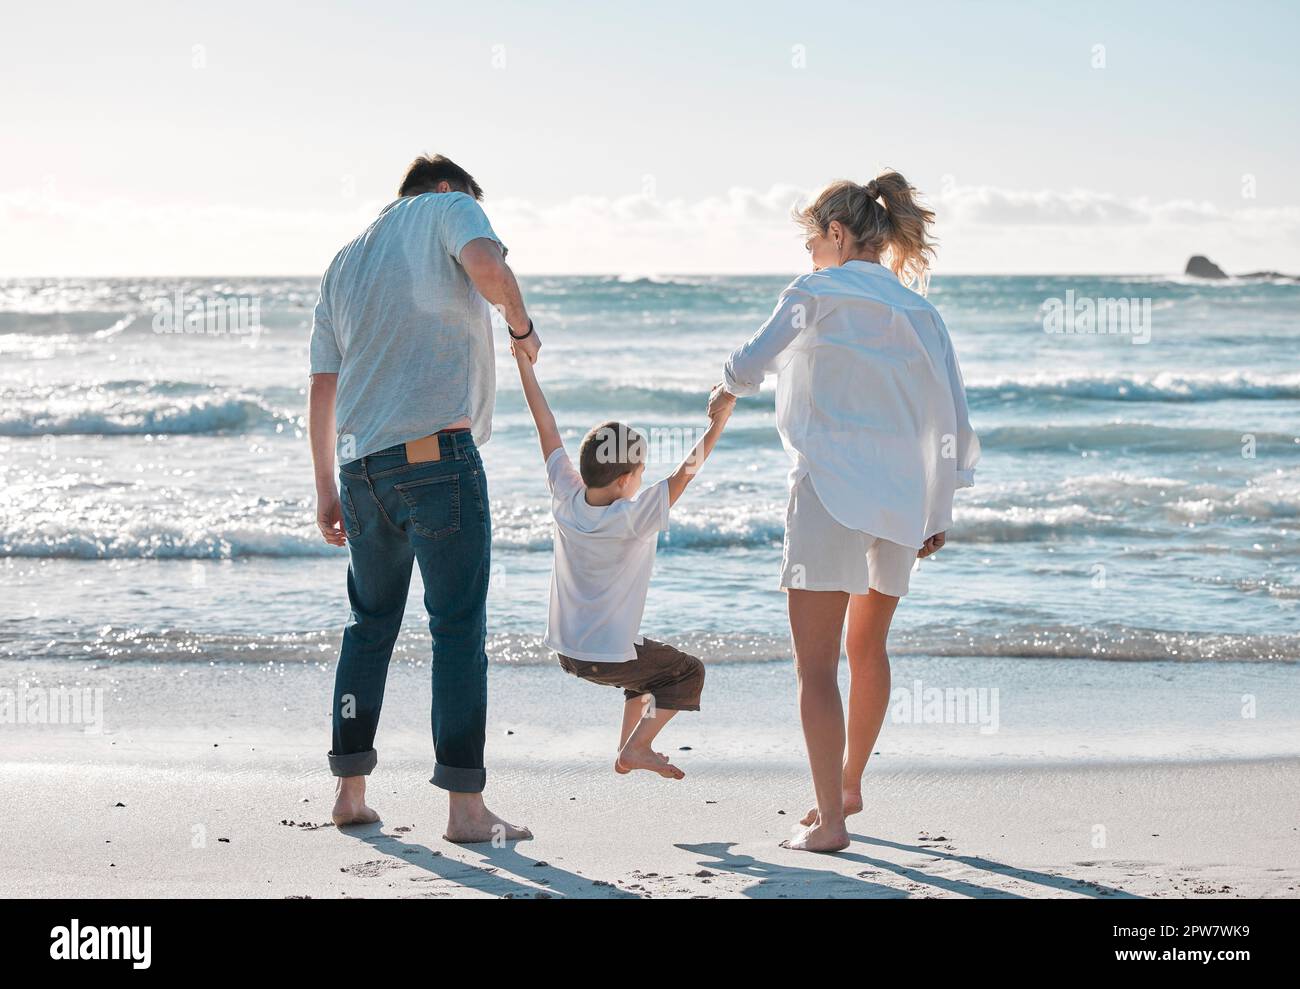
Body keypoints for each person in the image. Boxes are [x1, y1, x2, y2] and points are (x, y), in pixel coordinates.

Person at [721, 170, 980, 852]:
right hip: (901, 498)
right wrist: (937, 505)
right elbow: (951, 415)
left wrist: (725, 386)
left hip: (830, 490)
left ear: (836, 234)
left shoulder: (815, 292)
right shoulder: (920, 310)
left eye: (811, 239)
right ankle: (850, 783)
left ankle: (831, 821)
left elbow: (750, 363)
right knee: (868, 648)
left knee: (816, 668)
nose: (807, 254)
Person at [308, 154, 538, 842]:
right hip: (438, 460)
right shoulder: (447, 207)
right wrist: (522, 328)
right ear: (446, 189)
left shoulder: (344, 260)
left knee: (369, 625)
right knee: (457, 630)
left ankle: (350, 791)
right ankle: (465, 809)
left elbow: (323, 383)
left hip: (362, 471)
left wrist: (326, 486)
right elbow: (489, 267)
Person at [512, 342, 735, 778]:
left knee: (642, 661)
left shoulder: (565, 494)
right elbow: (687, 472)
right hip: (604, 655)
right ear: (623, 480)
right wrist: (718, 421)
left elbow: (546, 426)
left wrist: (524, 365)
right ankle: (638, 748)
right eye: (640, 472)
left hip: (568, 652)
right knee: (686, 673)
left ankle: (626, 748)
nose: (644, 480)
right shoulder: (632, 517)